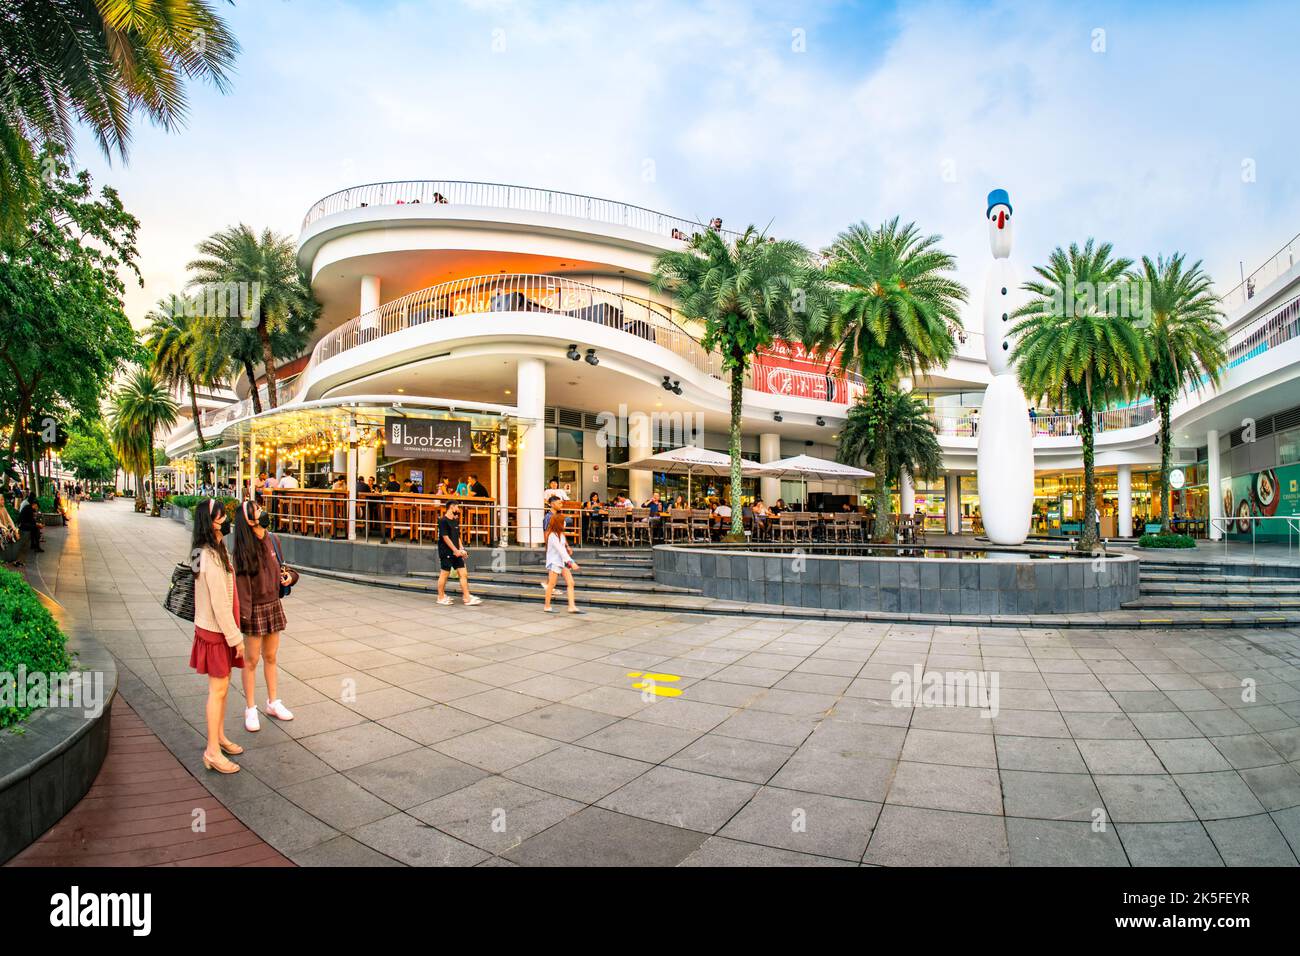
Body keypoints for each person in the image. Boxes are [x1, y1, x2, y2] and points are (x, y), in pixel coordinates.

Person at [189, 499, 246, 774]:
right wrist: (236, 638)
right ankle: (212, 751)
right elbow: (219, 604)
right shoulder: (208, 555)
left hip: (216, 629)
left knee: (222, 689)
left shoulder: (213, 548)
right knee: (218, 690)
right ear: (209, 521)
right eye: (221, 517)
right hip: (216, 631)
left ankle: (220, 737)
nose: (225, 521)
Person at [233, 500, 294, 732]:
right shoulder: (242, 550)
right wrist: (244, 620)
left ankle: (273, 702)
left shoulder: (274, 540)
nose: (262, 511)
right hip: (254, 610)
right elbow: (242, 588)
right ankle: (250, 708)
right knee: (251, 661)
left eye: (260, 507)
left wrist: (290, 578)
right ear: (249, 520)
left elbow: (284, 569)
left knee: (270, 656)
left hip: (273, 604)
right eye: (257, 510)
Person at [436, 502, 482, 607]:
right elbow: (445, 538)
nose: (458, 509)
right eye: (457, 507)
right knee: (444, 574)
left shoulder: (455, 521)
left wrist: (462, 549)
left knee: (463, 573)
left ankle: (467, 597)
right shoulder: (443, 521)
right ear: (451, 507)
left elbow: (457, 537)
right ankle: (440, 597)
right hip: (446, 552)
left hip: (456, 552)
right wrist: (455, 550)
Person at [542, 511, 583, 613]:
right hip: (555, 563)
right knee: (551, 584)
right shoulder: (552, 536)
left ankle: (572, 607)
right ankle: (547, 606)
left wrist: (568, 551)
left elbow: (563, 549)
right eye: (563, 521)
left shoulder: (560, 535)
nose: (565, 523)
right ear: (558, 523)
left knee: (571, 583)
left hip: (561, 562)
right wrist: (571, 562)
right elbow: (560, 551)